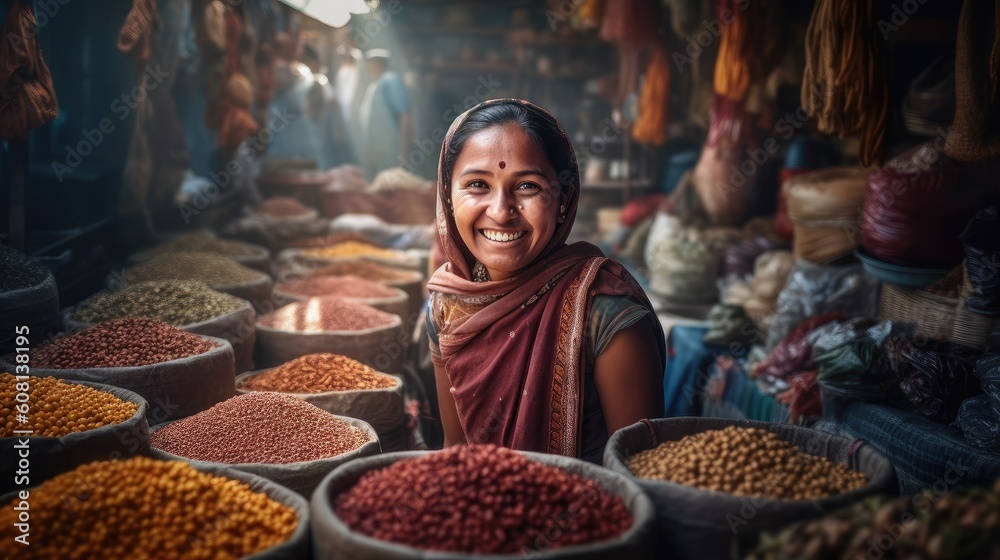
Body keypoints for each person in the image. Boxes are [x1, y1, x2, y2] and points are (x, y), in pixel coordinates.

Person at [426, 99, 666, 463]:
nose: (501, 212)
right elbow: (455, 453)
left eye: (527, 187)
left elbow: (641, 476)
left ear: (564, 198)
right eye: (477, 184)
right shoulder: (447, 306)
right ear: (448, 194)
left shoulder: (605, 313)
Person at [356, 48, 412, 179]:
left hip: (389, 148)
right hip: (376, 149)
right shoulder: (375, 83)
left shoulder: (390, 80)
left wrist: (404, 150)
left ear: (377, 64)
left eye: (370, 65)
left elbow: (404, 114)